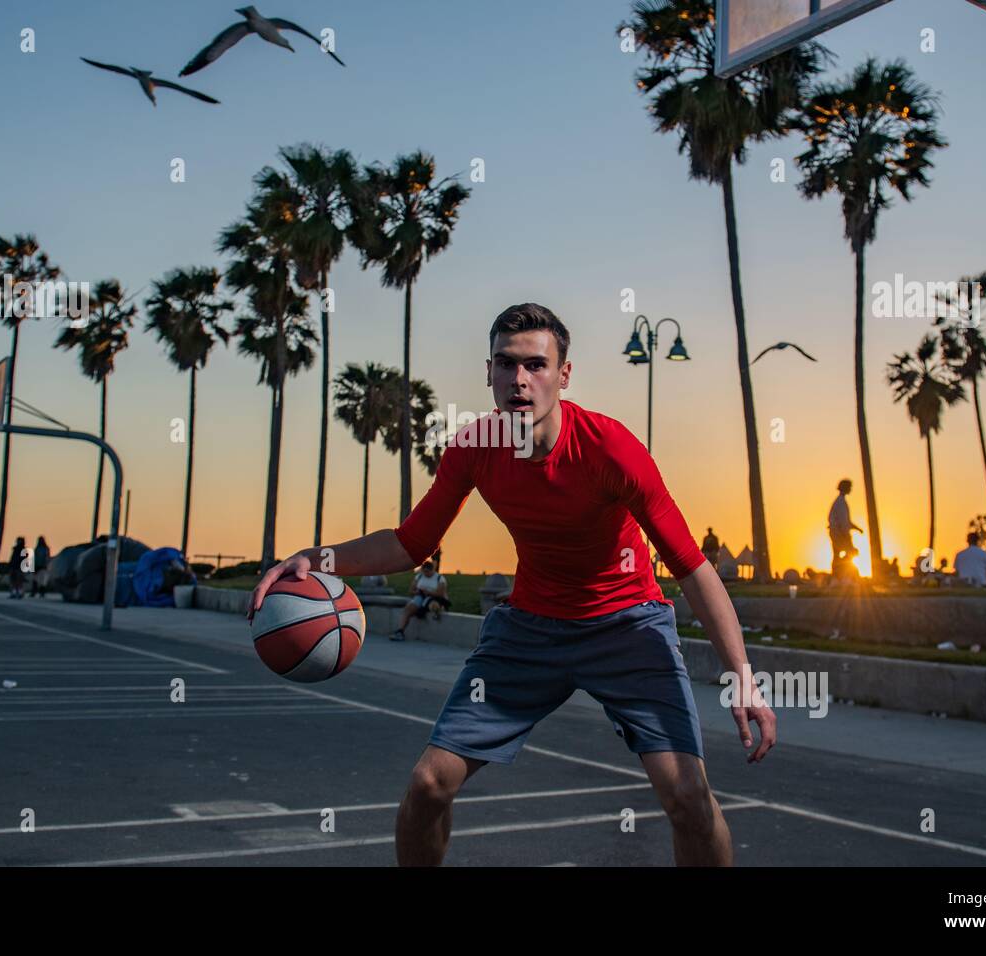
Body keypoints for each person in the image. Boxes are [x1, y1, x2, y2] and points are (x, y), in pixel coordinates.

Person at [248, 303, 774, 867]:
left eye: (536, 366)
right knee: (428, 786)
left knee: (689, 798)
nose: (519, 380)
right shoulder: (476, 447)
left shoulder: (611, 450)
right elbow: (409, 544)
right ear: (490, 372)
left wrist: (741, 676)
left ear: (563, 375)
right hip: (531, 632)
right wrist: (316, 557)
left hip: (627, 626)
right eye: (506, 364)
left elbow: (692, 567)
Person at [391, 558, 450, 640]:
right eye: (424, 571)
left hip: (434, 598)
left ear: (432, 570)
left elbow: (440, 594)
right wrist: (418, 592)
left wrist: (428, 592)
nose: (426, 574)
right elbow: (411, 591)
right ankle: (400, 631)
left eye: (428, 572)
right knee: (408, 608)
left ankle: (437, 612)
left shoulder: (440, 578)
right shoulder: (419, 576)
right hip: (420, 596)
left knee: (434, 605)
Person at [827, 479, 863, 584]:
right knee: (849, 553)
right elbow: (843, 522)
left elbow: (846, 521)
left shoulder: (840, 502)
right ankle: (843, 577)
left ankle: (840, 577)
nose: (851, 489)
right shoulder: (840, 502)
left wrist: (857, 528)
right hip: (839, 534)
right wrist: (846, 535)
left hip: (839, 533)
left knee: (841, 555)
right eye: (849, 487)